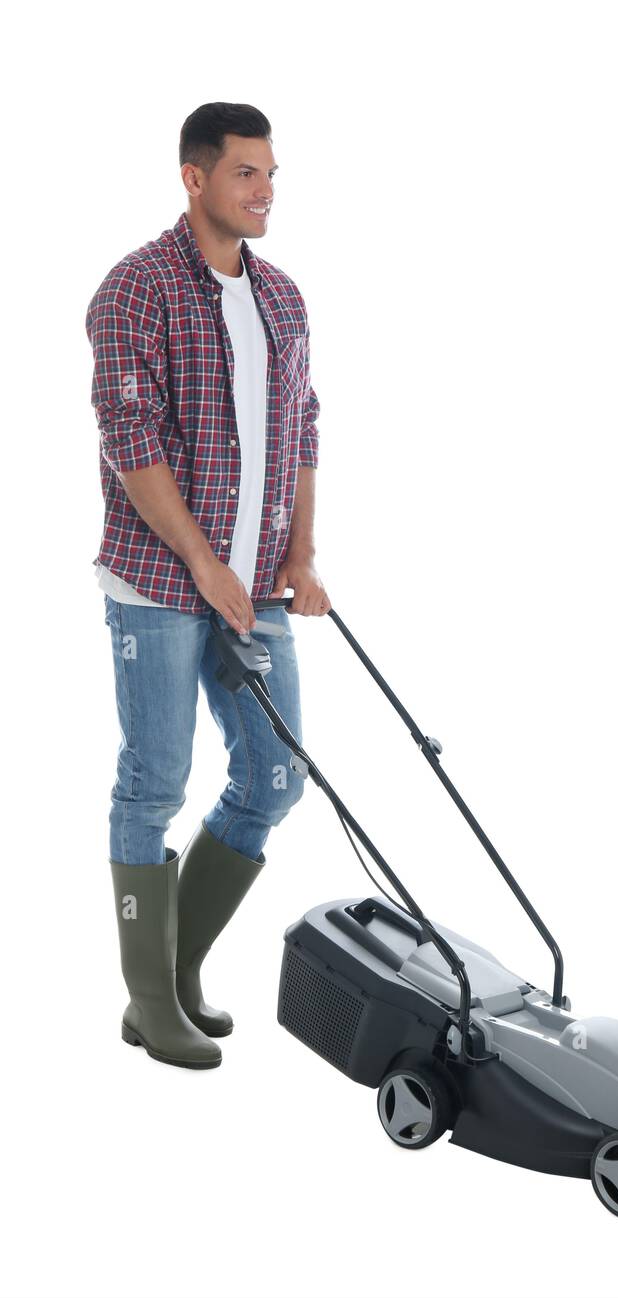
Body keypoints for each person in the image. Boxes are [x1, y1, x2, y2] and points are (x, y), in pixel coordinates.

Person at [86, 101, 329, 1071]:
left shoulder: (281, 298)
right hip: (159, 582)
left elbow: (303, 427)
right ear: (193, 178)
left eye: (270, 173)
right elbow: (130, 439)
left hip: (258, 582)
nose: (264, 190)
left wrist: (299, 556)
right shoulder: (135, 290)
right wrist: (201, 559)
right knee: (153, 786)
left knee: (274, 775)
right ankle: (152, 1001)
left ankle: (173, 973)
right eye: (244, 173)